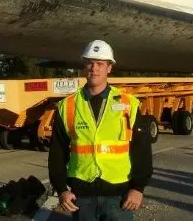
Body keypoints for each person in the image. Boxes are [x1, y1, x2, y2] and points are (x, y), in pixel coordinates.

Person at [48, 40, 153, 220]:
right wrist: (61, 189)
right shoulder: (67, 106)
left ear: (109, 68)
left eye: (100, 64)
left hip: (119, 197)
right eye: (90, 63)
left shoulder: (129, 104)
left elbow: (142, 150)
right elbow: (57, 153)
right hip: (82, 197)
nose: (94, 68)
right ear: (84, 66)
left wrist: (138, 188)